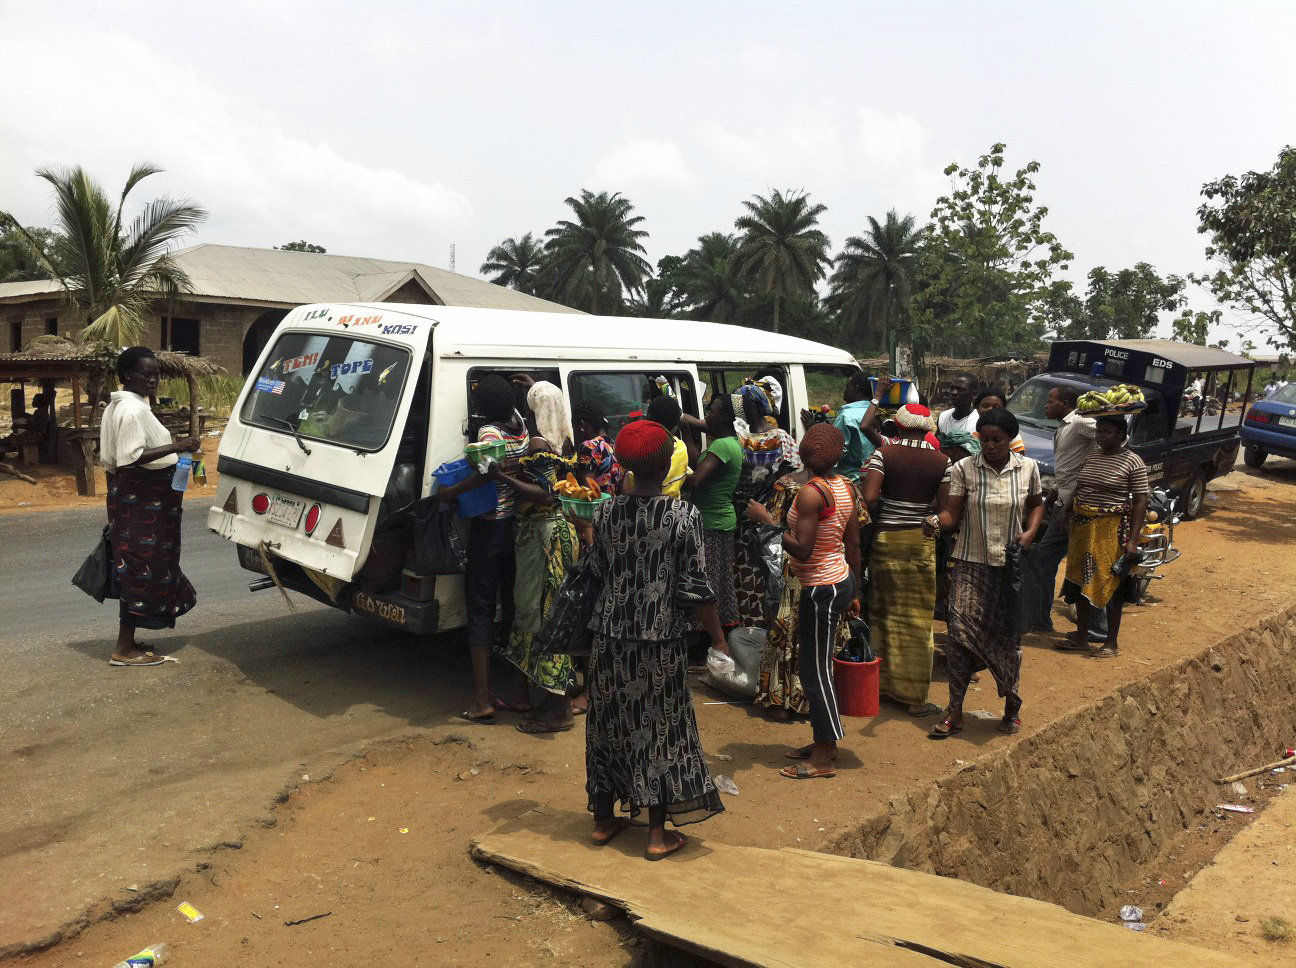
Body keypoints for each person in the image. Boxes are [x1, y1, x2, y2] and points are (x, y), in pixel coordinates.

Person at [579, 419, 727, 859]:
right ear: (667, 465)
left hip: (608, 636)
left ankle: (604, 820)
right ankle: (657, 835)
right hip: (659, 641)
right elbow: (696, 587)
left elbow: (597, 571)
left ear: (624, 465)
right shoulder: (683, 516)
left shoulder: (605, 512)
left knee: (607, 725)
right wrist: (718, 639)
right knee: (660, 730)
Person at [925, 408, 1044, 739]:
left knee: (1009, 642)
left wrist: (1030, 532)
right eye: (985, 439)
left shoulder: (1028, 468)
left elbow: (1037, 504)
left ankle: (1012, 708)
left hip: (1009, 570)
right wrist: (936, 523)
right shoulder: (964, 469)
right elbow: (951, 514)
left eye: (997, 440)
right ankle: (955, 711)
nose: (990, 445)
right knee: (958, 639)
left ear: (1010, 440)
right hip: (969, 564)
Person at [750, 423, 861, 779]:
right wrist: (856, 591)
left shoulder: (810, 494)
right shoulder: (846, 487)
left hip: (820, 588)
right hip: (838, 579)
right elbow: (854, 544)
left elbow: (802, 547)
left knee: (815, 673)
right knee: (819, 668)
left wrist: (768, 521)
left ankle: (824, 758)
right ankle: (824, 739)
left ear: (802, 454)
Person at [487, 380, 580, 733]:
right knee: (555, 612)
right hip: (561, 531)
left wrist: (502, 477)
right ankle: (548, 696)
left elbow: (543, 494)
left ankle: (559, 711)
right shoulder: (567, 440)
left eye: (530, 406)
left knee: (538, 614)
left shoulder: (540, 444)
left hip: (541, 534)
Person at [99, 347, 201, 666]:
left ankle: (127, 642)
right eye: (146, 373)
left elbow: (112, 464)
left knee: (135, 567)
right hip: (143, 507)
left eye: (156, 373)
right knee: (142, 568)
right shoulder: (131, 411)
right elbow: (131, 457)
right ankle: (124, 650)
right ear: (128, 375)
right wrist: (180, 446)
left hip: (134, 502)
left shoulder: (123, 406)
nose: (153, 379)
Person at [438, 374, 529, 723]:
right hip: (516, 527)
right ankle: (519, 688)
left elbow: (484, 473)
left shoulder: (488, 434)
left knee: (479, 608)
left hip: (490, 525)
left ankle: (482, 699)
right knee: (514, 606)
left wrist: (450, 492)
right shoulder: (519, 424)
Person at [860, 404, 950, 717]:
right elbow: (946, 509)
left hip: (886, 541)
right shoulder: (943, 461)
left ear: (898, 423)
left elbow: (869, 499)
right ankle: (914, 697)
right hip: (920, 543)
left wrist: (886, 505)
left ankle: (881, 688)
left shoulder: (884, 454)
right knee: (917, 619)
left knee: (883, 614)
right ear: (929, 428)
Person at [1024, 386, 1106, 643]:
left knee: (1086, 565)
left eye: (1051, 401)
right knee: (1045, 560)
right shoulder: (1064, 426)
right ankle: (1041, 618)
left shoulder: (1080, 422)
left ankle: (1098, 627)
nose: (1046, 406)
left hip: (1081, 505)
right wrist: (1054, 493)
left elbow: (1109, 436)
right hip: (1063, 502)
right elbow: (1068, 466)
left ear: (1066, 403)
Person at [1064, 414, 1150, 660]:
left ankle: (1111, 642)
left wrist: (1132, 541)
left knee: (1111, 584)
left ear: (1122, 435)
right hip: (1082, 528)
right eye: (1099, 431)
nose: (1101, 436)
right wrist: (1065, 510)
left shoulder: (1133, 462)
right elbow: (1080, 486)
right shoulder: (1092, 455)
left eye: (1108, 432)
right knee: (1080, 582)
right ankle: (1081, 636)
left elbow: (1140, 502)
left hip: (1111, 531)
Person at [681, 394, 745, 630]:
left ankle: (707, 635)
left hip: (711, 521)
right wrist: (687, 433)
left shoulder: (721, 445)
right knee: (718, 580)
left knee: (705, 582)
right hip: (721, 519)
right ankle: (719, 631)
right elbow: (699, 463)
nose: (707, 416)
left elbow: (696, 480)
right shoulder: (730, 443)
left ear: (725, 417)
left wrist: (669, 478)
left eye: (712, 411)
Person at [832, 371, 879, 481]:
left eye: (847, 387)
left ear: (856, 388)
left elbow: (835, 451)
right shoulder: (878, 412)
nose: (845, 391)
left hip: (849, 480)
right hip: (875, 480)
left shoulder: (846, 416)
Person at [574, 402, 624, 494]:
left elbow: (588, 492)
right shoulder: (615, 445)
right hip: (614, 506)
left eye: (574, 427)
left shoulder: (589, 446)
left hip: (598, 507)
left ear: (581, 425)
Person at [936, 373, 980, 461]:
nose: (954, 392)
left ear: (974, 393)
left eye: (961, 389)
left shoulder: (979, 420)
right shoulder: (943, 417)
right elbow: (936, 446)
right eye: (952, 388)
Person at [971, 388, 1026, 453]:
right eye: (985, 406)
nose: (990, 409)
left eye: (996, 407)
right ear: (977, 408)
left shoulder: (1012, 437)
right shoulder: (973, 435)